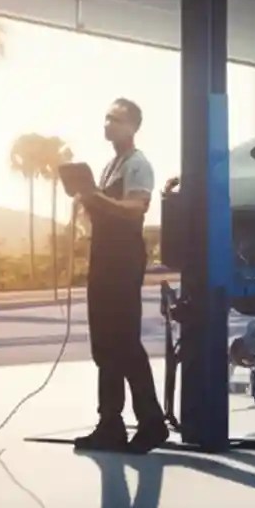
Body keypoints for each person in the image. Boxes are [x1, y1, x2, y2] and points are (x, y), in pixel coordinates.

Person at [72, 98, 169, 453]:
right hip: (102, 258)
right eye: (106, 119)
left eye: (115, 119)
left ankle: (152, 422)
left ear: (132, 126)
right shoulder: (110, 166)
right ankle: (109, 424)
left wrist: (96, 198)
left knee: (125, 341)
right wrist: (88, 199)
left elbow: (135, 209)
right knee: (104, 344)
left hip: (124, 259)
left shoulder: (138, 165)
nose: (107, 124)